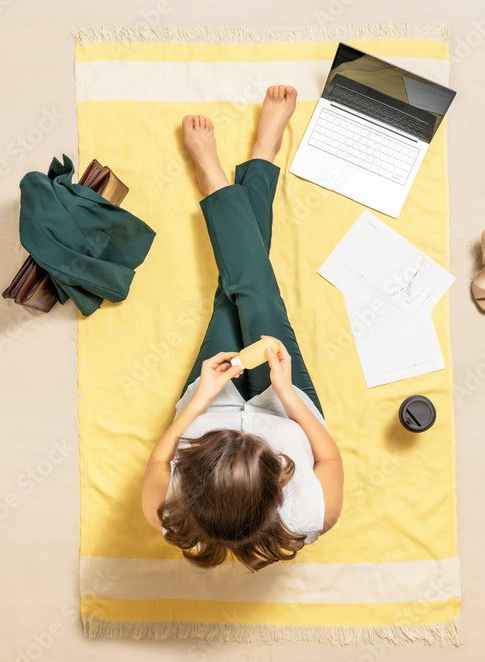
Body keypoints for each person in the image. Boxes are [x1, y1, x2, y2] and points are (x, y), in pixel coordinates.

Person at [141, 85, 344, 572]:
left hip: (211, 395)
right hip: (286, 401)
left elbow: (157, 461)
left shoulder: (164, 514)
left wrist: (203, 399)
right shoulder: (314, 514)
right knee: (256, 293)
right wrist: (287, 393)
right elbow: (330, 460)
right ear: (278, 486)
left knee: (230, 299)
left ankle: (226, 174)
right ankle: (243, 165)